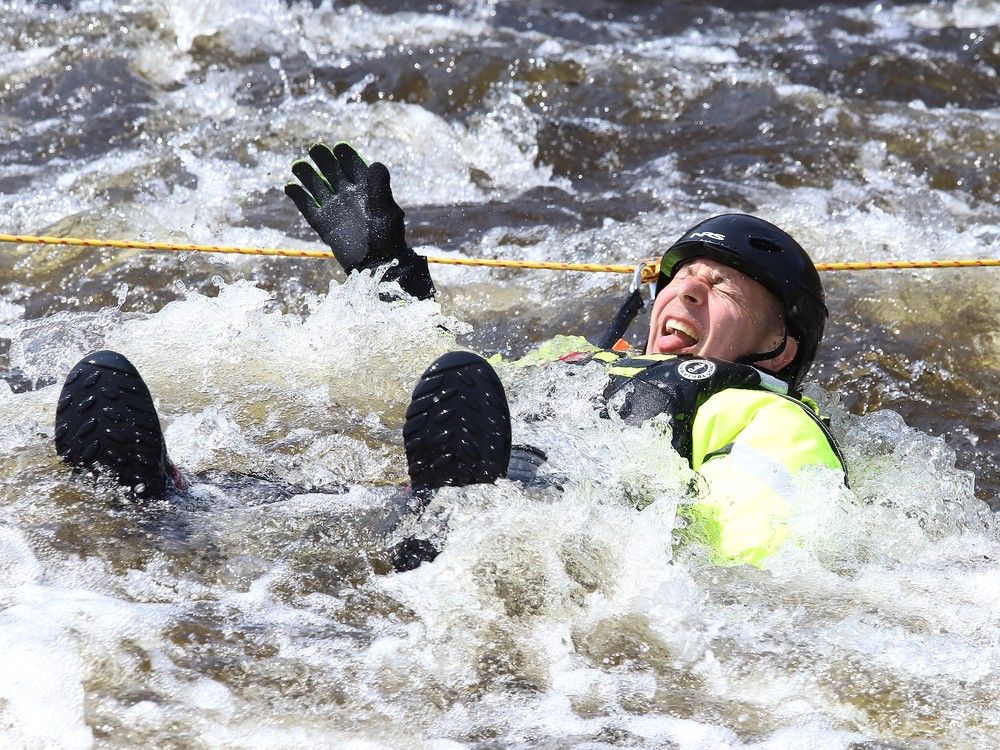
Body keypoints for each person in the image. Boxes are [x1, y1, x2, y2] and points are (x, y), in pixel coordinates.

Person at [54, 142, 846, 569]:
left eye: (727, 289)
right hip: (437, 492)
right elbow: (449, 390)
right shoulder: (570, 358)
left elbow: (766, 537)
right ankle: (162, 500)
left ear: (779, 346)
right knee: (301, 499)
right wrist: (389, 277)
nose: (691, 296)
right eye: (684, 280)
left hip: (553, 520)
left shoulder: (755, 406)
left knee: (476, 484)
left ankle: (458, 513)